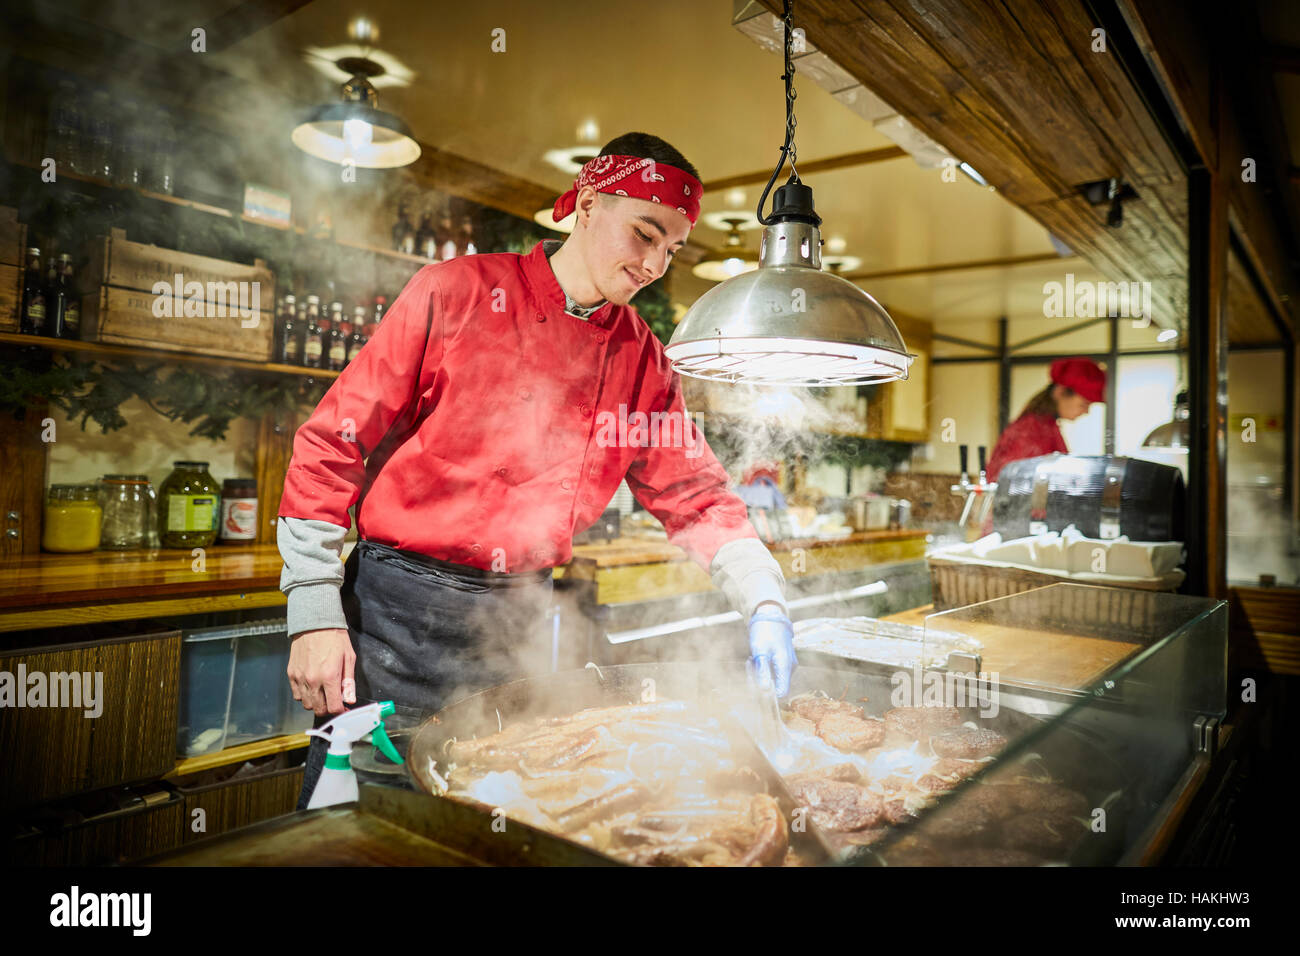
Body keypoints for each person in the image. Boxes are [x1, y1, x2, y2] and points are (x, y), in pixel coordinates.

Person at [276, 132, 797, 809]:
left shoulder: (642, 359)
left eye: (671, 250)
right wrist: (313, 611)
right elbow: (329, 445)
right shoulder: (453, 293)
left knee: (490, 815)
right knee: (363, 824)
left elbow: (697, 499)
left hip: (519, 625)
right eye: (644, 234)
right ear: (587, 204)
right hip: (396, 621)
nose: (653, 266)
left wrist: (763, 597)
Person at [985, 357, 1106, 483]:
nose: (1086, 411)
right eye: (1084, 404)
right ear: (1059, 392)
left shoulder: (1046, 426)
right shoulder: (1030, 431)